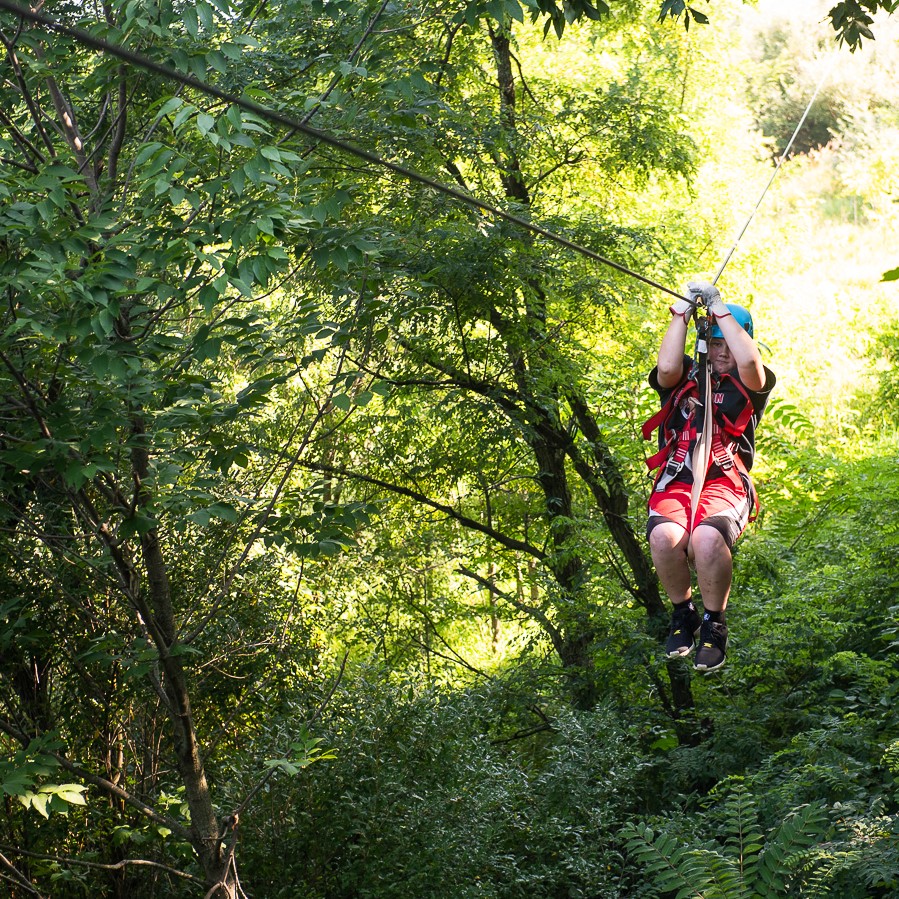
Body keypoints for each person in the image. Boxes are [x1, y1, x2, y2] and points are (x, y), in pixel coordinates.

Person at [643, 280, 776, 672]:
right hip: (679, 477)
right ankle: (682, 613)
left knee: (705, 538)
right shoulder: (686, 374)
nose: (721, 353)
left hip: (724, 482)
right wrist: (684, 310)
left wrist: (717, 308)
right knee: (664, 538)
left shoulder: (750, 383)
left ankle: (714, 624)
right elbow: (666, 366)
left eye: (727, 345)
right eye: (714, 344)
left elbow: (749, 362)